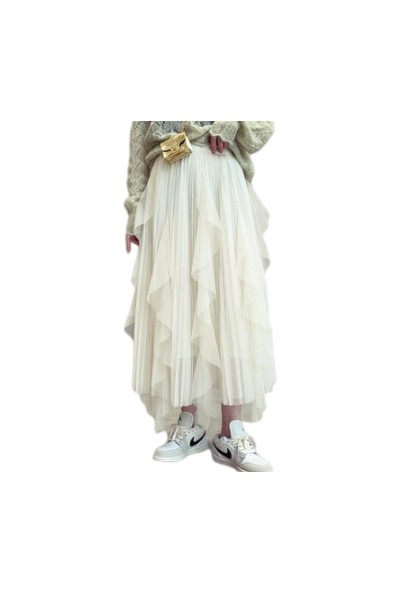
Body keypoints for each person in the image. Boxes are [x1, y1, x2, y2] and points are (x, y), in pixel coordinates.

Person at [124, 121, 277, 472]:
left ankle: (231, 429)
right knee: (179, 297)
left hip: (221, 181)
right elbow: (140, 135)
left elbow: (263, 122)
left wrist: (233, 122)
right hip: (170, 183)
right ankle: (188, 422)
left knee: (228, 297)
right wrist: (135, 209)